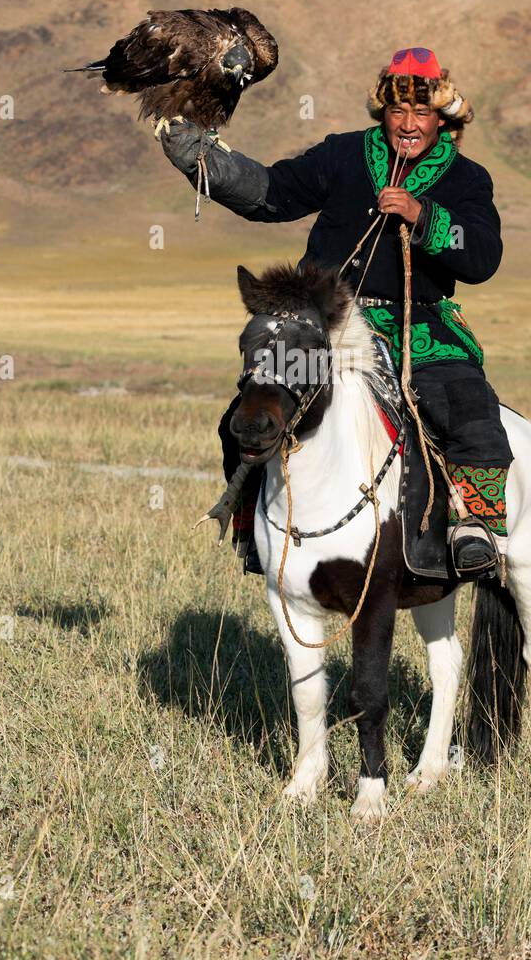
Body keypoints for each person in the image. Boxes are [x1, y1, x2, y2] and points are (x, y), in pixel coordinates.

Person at [158, 46, 513, 578]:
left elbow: (483, 257)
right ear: (383, 113)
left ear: (442, 117)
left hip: (418, 326)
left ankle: (474, 529)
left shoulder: (467, 179)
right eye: (398, 113)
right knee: (251, 410)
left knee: (466, 403)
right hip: (322, 323)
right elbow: (273, 194)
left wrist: (423, 217)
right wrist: (207, 162)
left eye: (421, 113)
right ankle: (252, 524)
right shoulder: (342, 155)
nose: (409, 125)